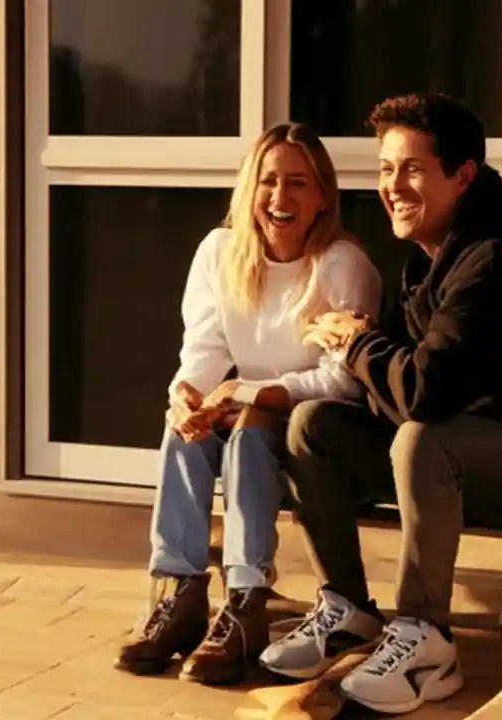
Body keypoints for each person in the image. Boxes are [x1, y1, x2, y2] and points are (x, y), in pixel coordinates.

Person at [258, 93, 502, 714]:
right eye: (384, 169)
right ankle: (348, 609)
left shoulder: (497, 261)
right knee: (314, 426)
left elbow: (423, 396)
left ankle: (427, 637)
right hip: (467, 455)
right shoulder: (426, 266)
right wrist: (363, 353)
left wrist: (357, 344)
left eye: (411, 169)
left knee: (423, 438)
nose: (393, 186)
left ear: (462, 177)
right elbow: (398, 392)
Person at [115, 122, 383, 687]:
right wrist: (187, 394)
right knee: (183, 433)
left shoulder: (341, 263)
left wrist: (250, 394)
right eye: (268, 182)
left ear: (323, 197)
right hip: (243, 408)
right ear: (249, 189)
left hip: (312, 433)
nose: (280, 199)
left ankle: (245, 603)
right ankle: (180, 594)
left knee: (250, 432)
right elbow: (205, 348)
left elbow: (343, 381)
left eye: (297, 183)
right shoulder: (220, 252)